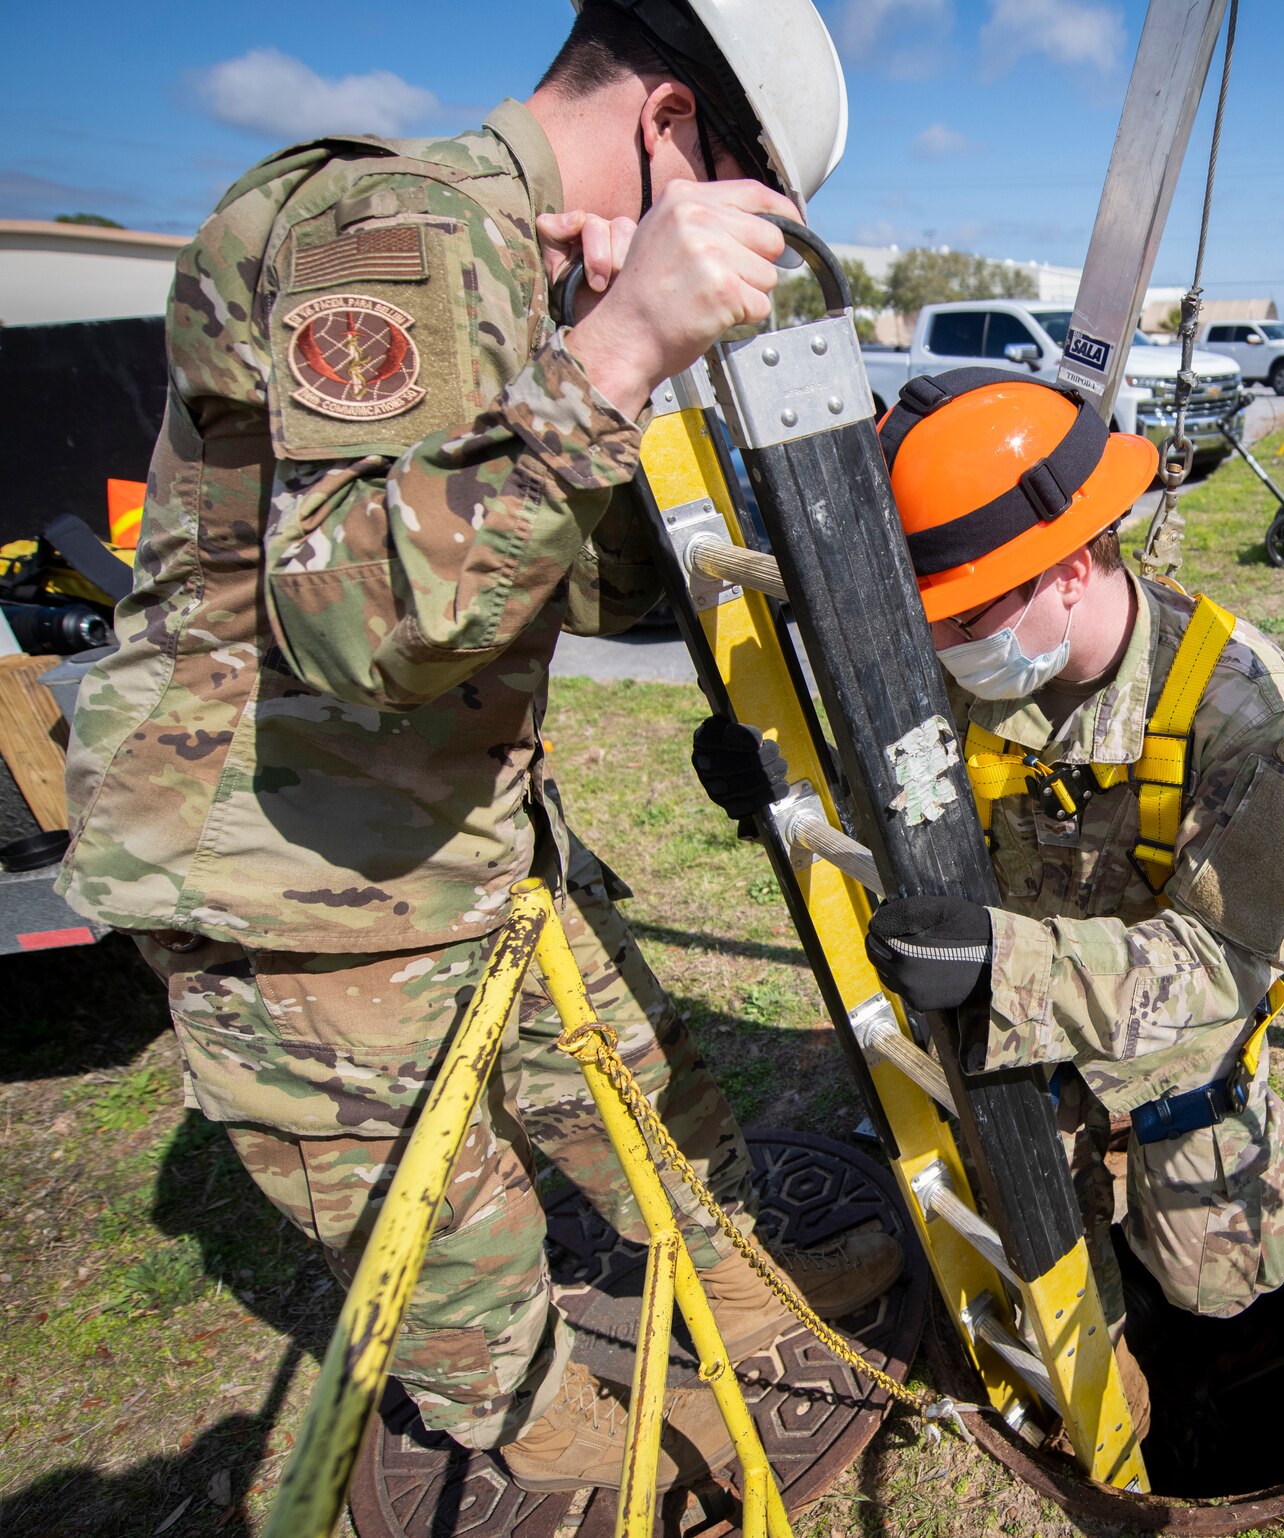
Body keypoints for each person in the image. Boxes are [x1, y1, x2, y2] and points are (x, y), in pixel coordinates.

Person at [57, 0, 898, 1495]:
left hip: (466, 822)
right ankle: (537, 1426)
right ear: (669, 131)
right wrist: (622, 344)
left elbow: (583, 587)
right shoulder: (387, 221)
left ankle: (750, 1294)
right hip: (288, 866)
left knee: (645, 1087)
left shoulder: (517, 266)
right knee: (455, 1249)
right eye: (750, 206)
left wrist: (606, 366)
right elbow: (359, 630)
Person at [693, 369, 1284, 1327]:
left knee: (1223, 1286)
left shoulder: (1243, 711)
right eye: (931, 612)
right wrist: (783, 787)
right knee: (1040, 1285)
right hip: (1011, 1026)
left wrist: (1007, 962)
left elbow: (1230, 966)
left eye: (969, 611)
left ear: (1071, 568)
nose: (942, 641)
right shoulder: (968, 671)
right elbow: (895, 818)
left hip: (1161, 1044)